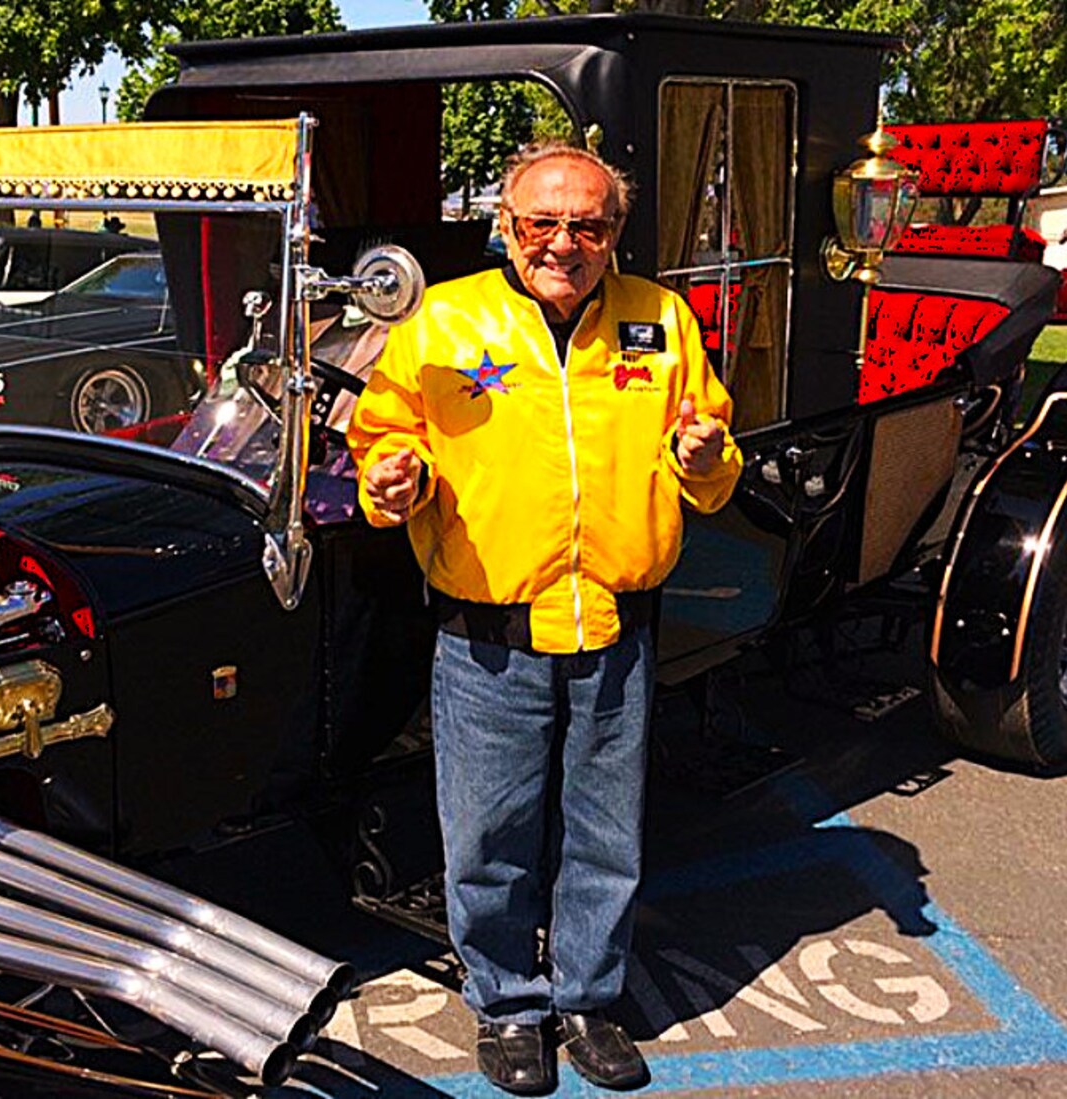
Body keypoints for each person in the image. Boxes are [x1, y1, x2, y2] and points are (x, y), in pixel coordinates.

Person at [348, 144, 741, 1095]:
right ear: (506, 225)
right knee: (488, 837)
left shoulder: (662, 320)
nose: (564, 242)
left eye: (589, 225)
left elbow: (715, 471)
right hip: (488, 640)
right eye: (543, 223)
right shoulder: (444, 321)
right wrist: (391, 480)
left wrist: (700, 454)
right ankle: (510, 1006)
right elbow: (384, 436)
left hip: (613, 630)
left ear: (615, 234)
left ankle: (587, 1001)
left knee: (607, 835)